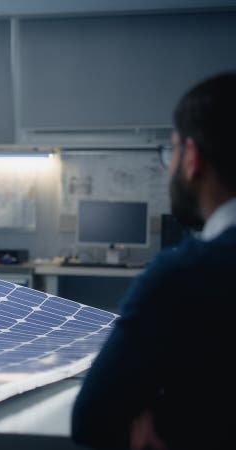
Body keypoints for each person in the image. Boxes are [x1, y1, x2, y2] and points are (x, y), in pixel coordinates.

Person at [71, 72, 236, 449]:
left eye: (172, 150)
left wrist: (157, 412)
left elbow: (93, 421)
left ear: (192, 158)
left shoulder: (185, 275)